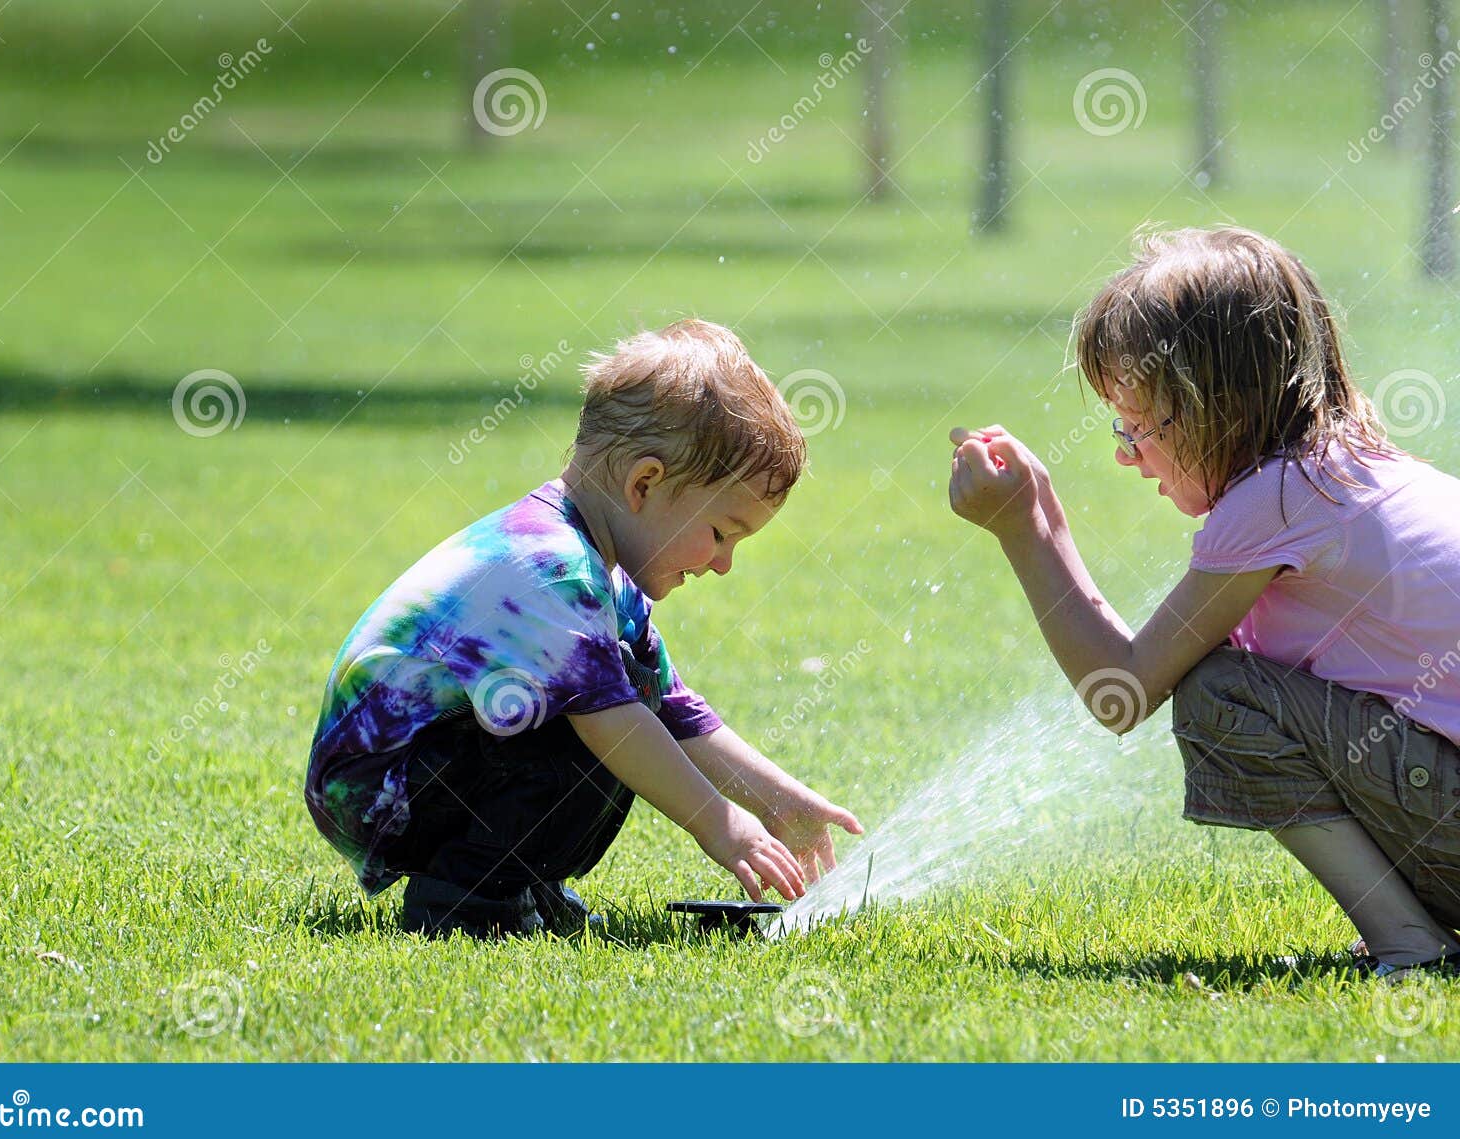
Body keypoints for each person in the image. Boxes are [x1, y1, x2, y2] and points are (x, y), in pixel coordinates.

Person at [948, 226, 1460, 980]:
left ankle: (1410, 944)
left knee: (1218, 692)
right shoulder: (1351, 469)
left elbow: (1123, 690)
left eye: (1139, 426)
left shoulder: (1277, 502)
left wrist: (1025, 523)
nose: (1126, 454)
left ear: (1210, 408)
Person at [305, 318, 863, 937]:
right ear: (644, 483)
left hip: (426, 770)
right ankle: (468, 897)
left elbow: (675, 711)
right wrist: (719, 823)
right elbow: (620, 726)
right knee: (604, 720)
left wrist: (777, 800)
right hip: (383, 789)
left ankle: (515, 881)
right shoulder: (549, 565)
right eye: (721, 533)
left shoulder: (603, 574)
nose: (724, 563)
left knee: (630, 695)